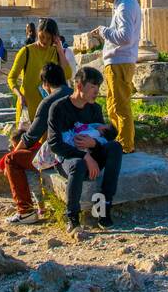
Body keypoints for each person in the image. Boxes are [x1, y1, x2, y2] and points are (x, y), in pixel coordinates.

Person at [48, 66, 124, 233]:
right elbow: (55, 144)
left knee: (115, 147)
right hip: (67, 158)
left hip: (91, 152)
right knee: (78, 165)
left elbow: (101, 137)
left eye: (98, 87)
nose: (96, 91)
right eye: (92, 87)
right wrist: (84, 156)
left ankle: (104, 206)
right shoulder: (58, 108)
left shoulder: (94, 108)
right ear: (79, 86)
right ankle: (73, 218)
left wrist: (93, 145)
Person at [1, 61, 71, 224]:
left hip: (59, 155)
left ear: (45, 83)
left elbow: (30, 137)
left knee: (11, 161)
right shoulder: (74, 94)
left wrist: (13, 154)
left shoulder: (48, 102)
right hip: (80, 148)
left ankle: (25, 211)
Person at [89, 0, 143, 153]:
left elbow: (125, 37)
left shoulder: (124, 6)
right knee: (113, 104)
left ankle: (126, 145)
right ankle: (118, 141)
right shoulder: (125, 3)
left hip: (120, 60)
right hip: (119, 60)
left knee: (121, 106)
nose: (105, 2)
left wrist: (104, 32)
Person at [6, 18, 72, 127]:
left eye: (48, 38)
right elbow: (11, 78)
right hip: (28, 106)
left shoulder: (56, 52)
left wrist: (60, 50)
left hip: (50, 107)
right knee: (25, 141)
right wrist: (19, 95)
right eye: (42, 36)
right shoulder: (26, 51)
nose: (44, 41)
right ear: (37, 33)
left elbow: (67, 75)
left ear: (54, 37)